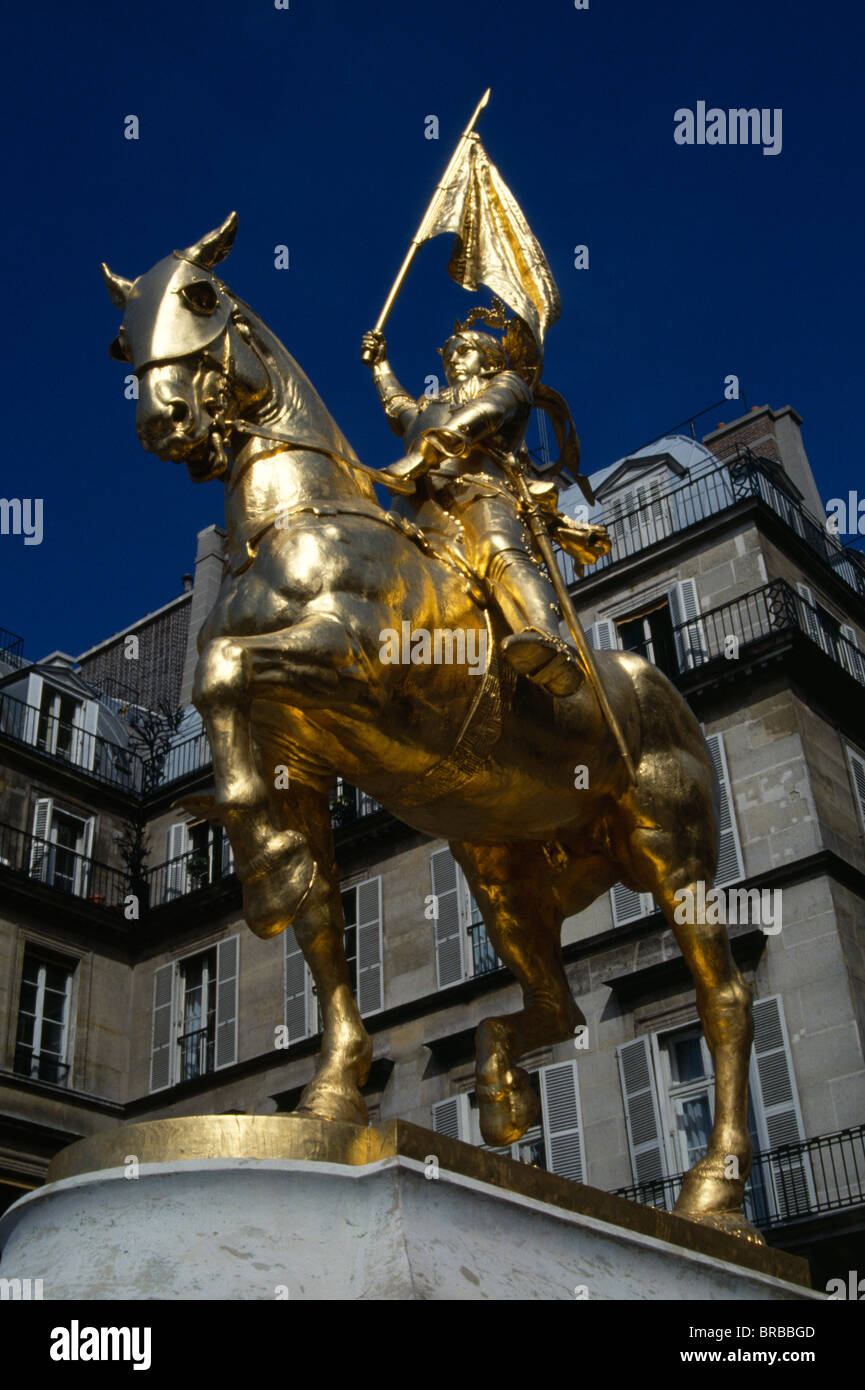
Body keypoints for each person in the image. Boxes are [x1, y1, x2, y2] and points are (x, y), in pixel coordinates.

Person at [361, 325, 607, 697]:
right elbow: (402, 411)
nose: (453, 361)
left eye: (464, 351)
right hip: (419, 505)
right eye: (449, 356)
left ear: (488, 359)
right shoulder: (434, 403)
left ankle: (549, 640)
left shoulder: (509, 384)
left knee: (497, 549)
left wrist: (424, 454)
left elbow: (483, 415)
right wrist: (380, 367)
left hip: (479, 493)